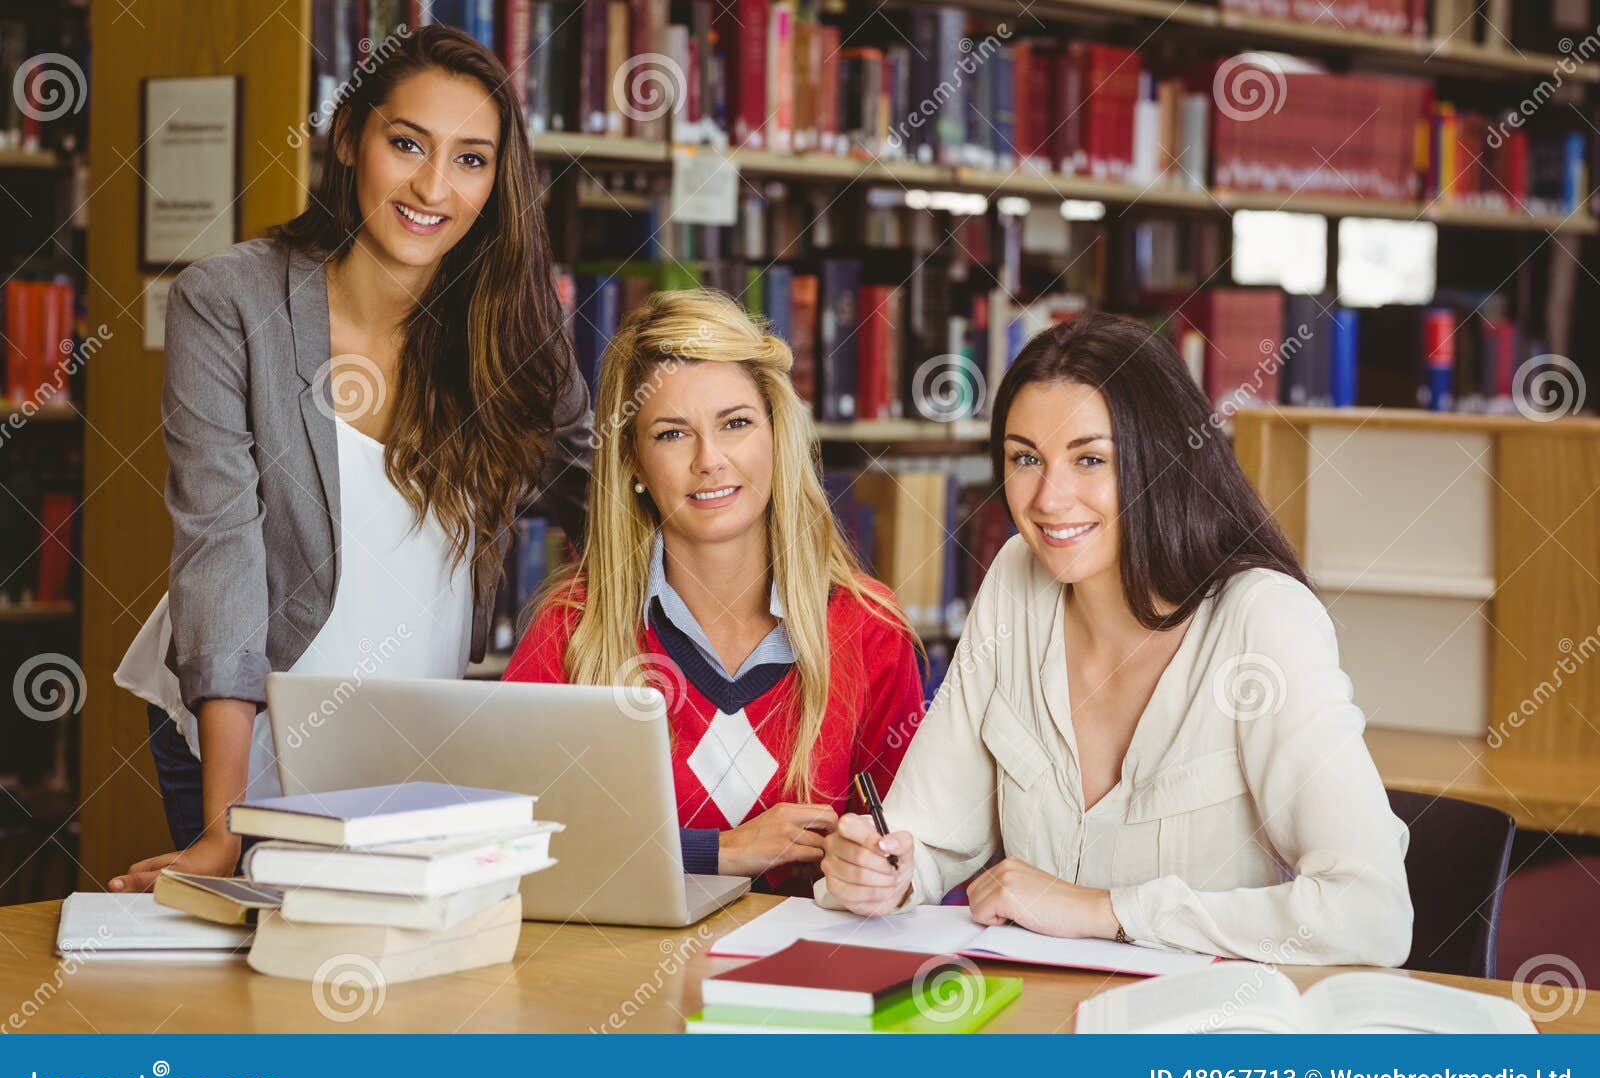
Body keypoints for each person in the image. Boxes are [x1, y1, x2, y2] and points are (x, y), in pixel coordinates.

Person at [111, 25, 592, 890]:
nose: (433, 186)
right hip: (239, 720)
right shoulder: (231, 299)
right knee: (263, 980)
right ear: (349, 139)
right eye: (406, 144)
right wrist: (226, 827)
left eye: (470, 159)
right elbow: (220, 549)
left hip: (409, 723)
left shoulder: (511, 329)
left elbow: (605, 505)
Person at [819, 311, 1413, 966]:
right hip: (1047, 1021)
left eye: (1090, 459)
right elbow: (926, 836)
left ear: (1160, 462)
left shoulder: (1262, 620)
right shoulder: (1017, 579)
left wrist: (1103, 909)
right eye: (1025, 459)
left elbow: (1372, 915)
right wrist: (886, 872)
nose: (1049, 498)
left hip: (1212, 1036)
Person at [506, 288, 924, 892]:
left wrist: (883, 875)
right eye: (673, 434)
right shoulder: (574, 627)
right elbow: (508, 840)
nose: (711, 460)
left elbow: (919, 857)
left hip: (801, 978)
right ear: (632, 463)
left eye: (735, 424)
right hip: (612, 978)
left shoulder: (868, 627)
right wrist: (717, 850)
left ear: (777, 435)